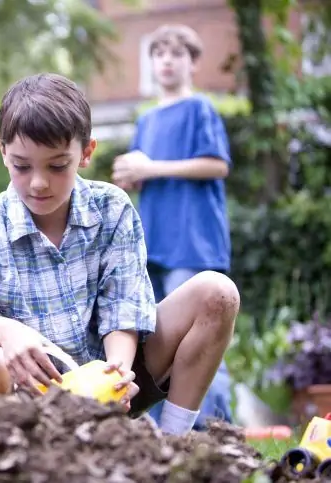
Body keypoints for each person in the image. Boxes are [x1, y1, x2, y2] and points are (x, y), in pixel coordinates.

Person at [0, 73, 240, 436]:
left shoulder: (111, 208)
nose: (39, 182)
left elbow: (124, 305)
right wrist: (7, 332)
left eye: (57, 166)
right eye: (22, 166)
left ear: (86, 152)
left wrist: (115, 374)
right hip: (36, 395)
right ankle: (24, 458)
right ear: (3, 152)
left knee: (217, 291)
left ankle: (173, 444)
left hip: (118, 382)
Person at [111, 24, 234, 429]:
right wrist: (133, 178)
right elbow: (153, 173)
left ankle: (213, 433)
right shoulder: (147, 121)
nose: (166, 60)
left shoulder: (201, 109)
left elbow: (217, 164)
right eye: (159, 53)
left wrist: (152, 167)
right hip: (154, 244)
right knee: (157, 343)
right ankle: (165, 435)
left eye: (176, 53)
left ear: (193, 62)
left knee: (203, 335)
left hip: (193, 243)